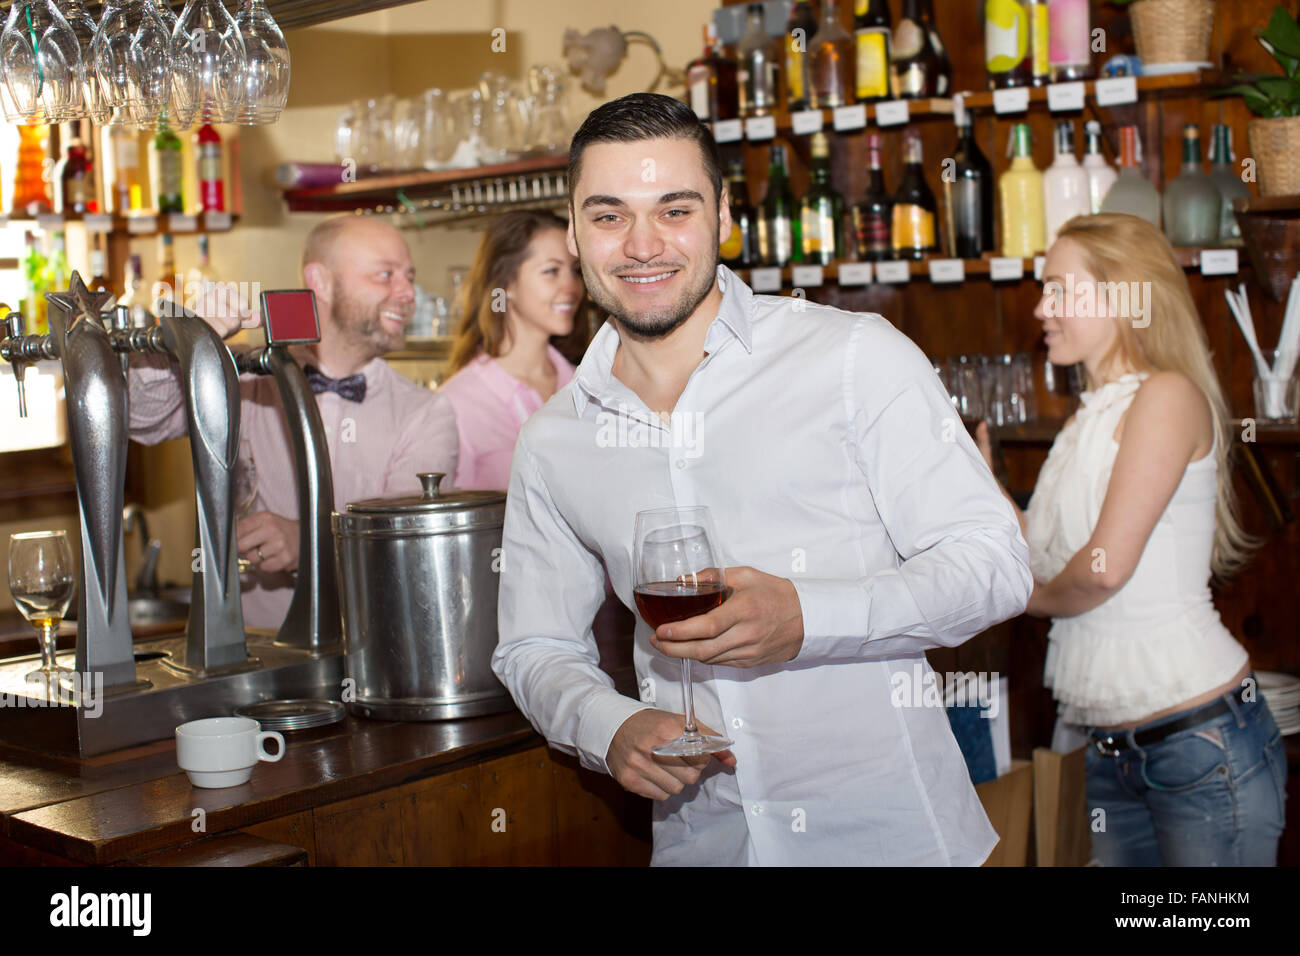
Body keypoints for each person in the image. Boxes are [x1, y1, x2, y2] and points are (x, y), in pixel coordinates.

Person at [492, 92, 1032, 866]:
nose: (642, 245)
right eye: (609, 216)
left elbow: (995, 563)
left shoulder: (854, 358)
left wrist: (810, 616)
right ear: (574, 232)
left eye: (674, 209)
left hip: (892, 840)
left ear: (722, 212)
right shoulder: (553, 439)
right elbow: (535, 644)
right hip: (704, 841)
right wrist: (604, 724)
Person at [976, 213, 1286, 866]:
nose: (1041, 308)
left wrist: (1027, 597)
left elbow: (1103, 568)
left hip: (1199, 743)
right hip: (1111, 753)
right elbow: (1042, 548)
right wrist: (981, 481)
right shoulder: (1086, 421)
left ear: (1120, 295)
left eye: (1060, 289)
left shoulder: (1167, 397)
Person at [129, 216, 459, 630]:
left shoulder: (426, 412)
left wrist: (311, 544)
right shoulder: (248, 374)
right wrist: (187, 344)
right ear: (319, 281)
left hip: (371, 656)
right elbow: (140, 419)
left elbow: (411, 552)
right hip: (247, 656)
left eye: (409, 277)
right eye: (385, 275)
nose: (408, 293)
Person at [438, 210, 583, 490]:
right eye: (551, 271)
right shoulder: (457, 403)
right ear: (506, 284)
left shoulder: (588, 385)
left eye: (575, 271)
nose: (572, 287)